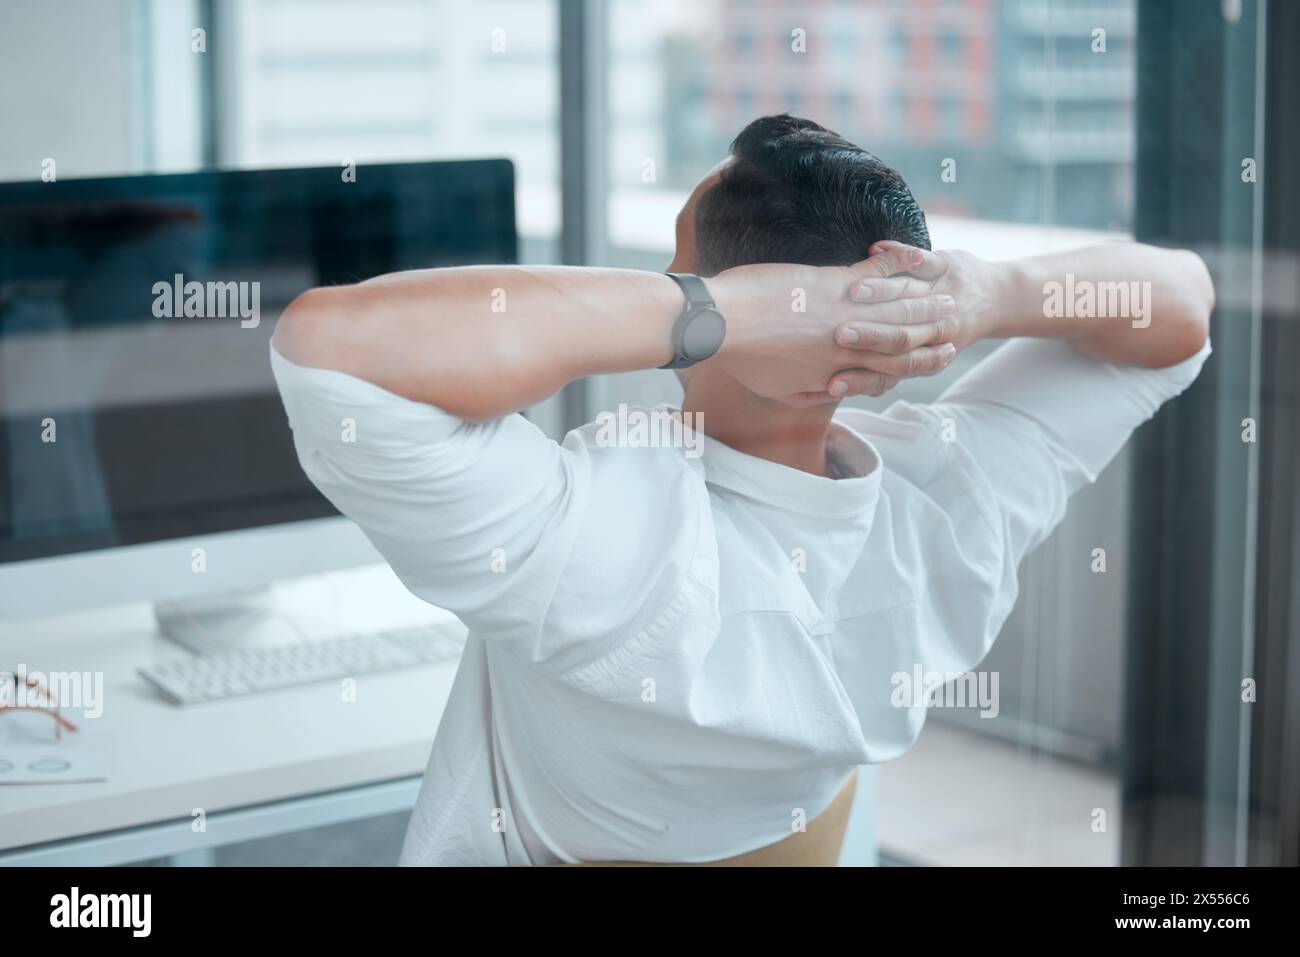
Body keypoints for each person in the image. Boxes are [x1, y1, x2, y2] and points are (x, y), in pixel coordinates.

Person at [270, 115, 1213, 865]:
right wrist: (987, 295)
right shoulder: (954, 508)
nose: (672, 299)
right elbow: (1181, 301)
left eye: (686, 284)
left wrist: (743, 311)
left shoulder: (597, 542)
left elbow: (330, 349)